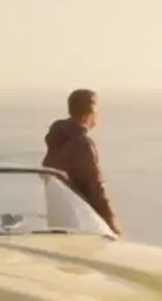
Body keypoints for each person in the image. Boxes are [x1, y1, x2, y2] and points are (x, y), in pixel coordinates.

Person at [41, 88, 121, 235]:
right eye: (96, 111)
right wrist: (111, 222)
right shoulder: (83, 144)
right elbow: (95, 187)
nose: (98, 115)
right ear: (87, 115)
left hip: (57, 216)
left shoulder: (57, 140)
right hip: (81, 220)